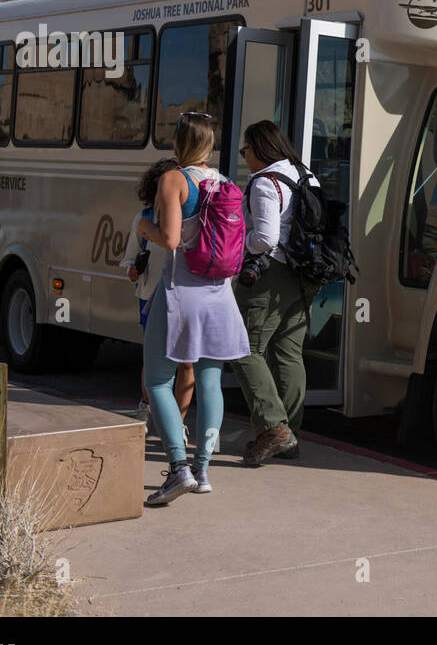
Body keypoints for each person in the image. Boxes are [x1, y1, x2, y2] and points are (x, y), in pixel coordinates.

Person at [137, 112, 250, 504]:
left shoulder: (173, 179)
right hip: (220, 297)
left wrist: (142, 226)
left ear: (178, 142)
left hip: (179, 295)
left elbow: (169, 239)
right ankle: (202, 469)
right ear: (210, 143)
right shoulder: (225, 182)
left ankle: (178, 469)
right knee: (209, 383)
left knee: (157, 382)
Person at [231, 119, 321, 466]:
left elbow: (266, 238)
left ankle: (273, 428)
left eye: (246, 150)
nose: (244, 157)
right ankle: (290, 435)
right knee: (288, 352)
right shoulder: (304, 174)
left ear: (260, 149)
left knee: (243, 346)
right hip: (304, 275)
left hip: (271, 275)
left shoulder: (265, 183)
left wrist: (242, 243)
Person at [120, 158, 196, 435]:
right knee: (153, 360)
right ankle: (145, 408)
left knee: (186, 362)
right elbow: (130, 258)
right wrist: (131, 269)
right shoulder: (145, 218)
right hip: (151, 294)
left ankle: (177, 424)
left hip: (184, 296)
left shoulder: (193, 217)